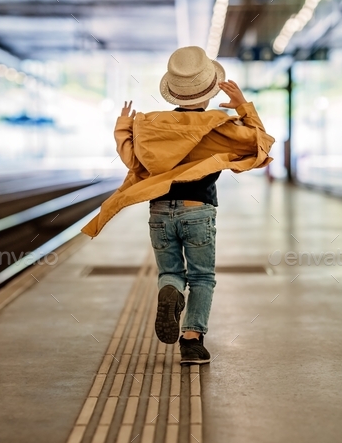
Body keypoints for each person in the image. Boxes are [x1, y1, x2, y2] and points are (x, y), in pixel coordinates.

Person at [82, 46, 275, 365]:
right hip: (197, 210)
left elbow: (133, 162)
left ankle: (170, 291)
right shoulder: (219, 124)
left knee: (170, 271)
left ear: (173, 93)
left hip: (159, 212)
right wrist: (244, 108)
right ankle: (191, 341)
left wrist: (122, 127)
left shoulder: (150, 124)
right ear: (211, 91)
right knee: (201, 277)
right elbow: (260, 143)